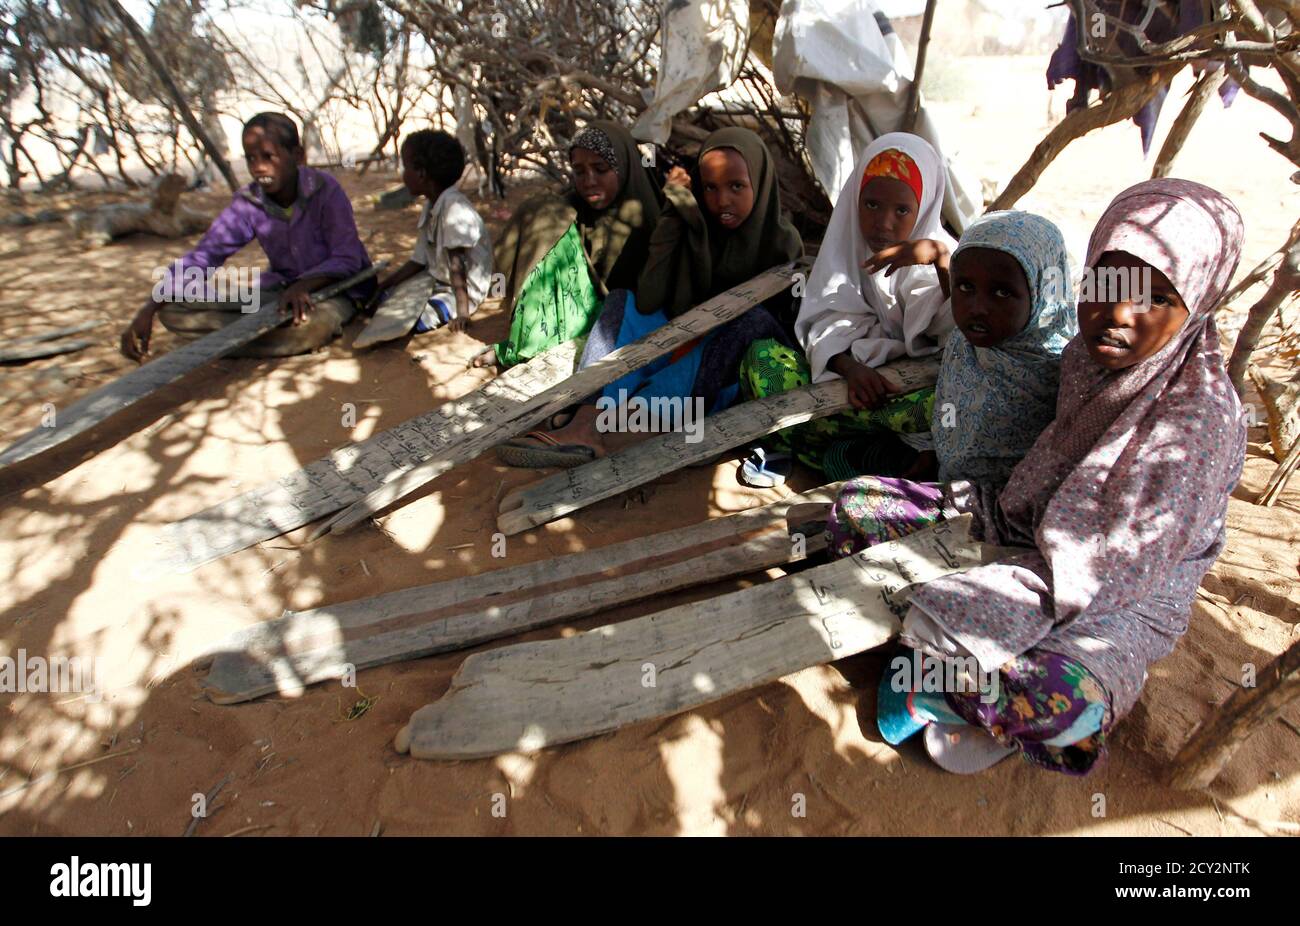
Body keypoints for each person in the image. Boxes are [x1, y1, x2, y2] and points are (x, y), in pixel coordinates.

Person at [833, 179, 1246, 775]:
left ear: (1198, 302)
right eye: (1105, 286)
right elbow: (1027, 488)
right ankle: (947, 679)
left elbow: (1111, 572)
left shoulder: (1196, 419)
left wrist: (985, 604)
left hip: (1116, 598)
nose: (1117, 315)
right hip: (1020, 523)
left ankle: (933, 675)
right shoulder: (1083, 357)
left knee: (1065, 712)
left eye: (1153, 298)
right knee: (860, 506)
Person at [497, 126, 802, 468]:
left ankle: (613, 427)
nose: (722, 201)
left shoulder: (783, 244)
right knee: (622, 301)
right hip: (686, 337)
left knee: (750, 321)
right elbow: (649, 298)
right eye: (710, 188)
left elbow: (778, 341)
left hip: (719, 377)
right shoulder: (696, 224)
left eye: (736, 187)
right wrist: (674, 217)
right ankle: (587, 420)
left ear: (759, 184)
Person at [738, 133, 956, 482]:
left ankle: (831, 450)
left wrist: (942, 263)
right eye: (871, 205)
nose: (883, 222)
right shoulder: (844, 248)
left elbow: (963, 335)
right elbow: (827, 318)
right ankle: (867, 456)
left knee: (941, 408)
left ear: (925, 206)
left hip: (904, 399)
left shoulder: (949, 260)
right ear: (855, 199)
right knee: (762, 358)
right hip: (848, 387)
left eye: (901, 210)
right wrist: (849, 368)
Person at [120, 112, 374, 360]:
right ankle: (258, 336)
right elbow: (205, 255)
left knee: (311, 327)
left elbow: (347, 257)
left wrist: (303, 286)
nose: (258, 167)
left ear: (298, 156)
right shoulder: (249, 202)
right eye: (251, 158)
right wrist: (149, 308)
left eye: (268, 156)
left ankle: (229, 341)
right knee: (174, 309)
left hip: (337, 291)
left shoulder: (325, 190)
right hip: (282, 291)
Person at [480, 121, 663, 369]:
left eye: (601, 169)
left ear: (624, 167)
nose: (589, 181)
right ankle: (527, 343)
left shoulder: (652, 218)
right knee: (543, 212)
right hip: (585, 314)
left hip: (634, 321)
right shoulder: (571, 208)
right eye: (579, 171)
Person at [367, 130, 491, 335]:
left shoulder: (454, 209)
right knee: (383, 302)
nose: (402, 174)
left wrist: (463, 314)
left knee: (413, 322)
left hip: (463, 291)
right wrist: (383, 285)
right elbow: (418, 260)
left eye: (405, 167)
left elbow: (457, 266)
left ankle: (448, 310)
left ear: (421, 173)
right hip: (436, 280)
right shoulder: (432, 206)